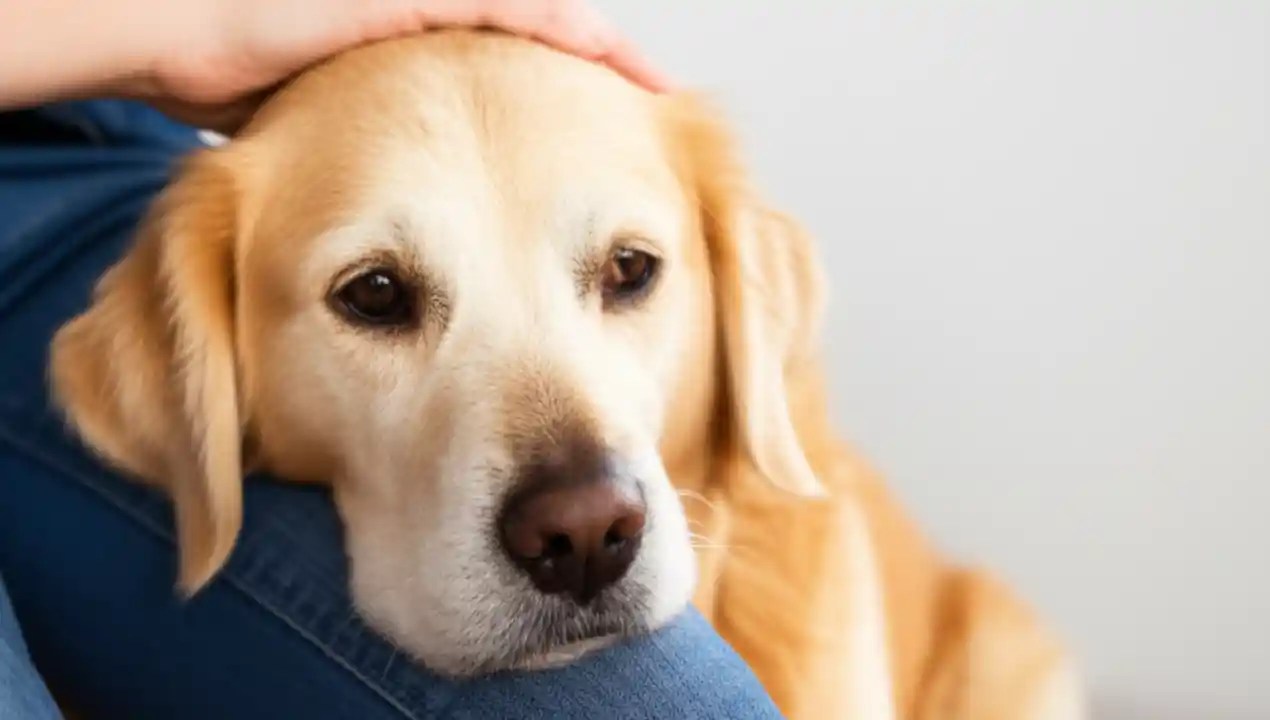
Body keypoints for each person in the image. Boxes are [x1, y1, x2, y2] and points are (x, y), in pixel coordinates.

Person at [0, 2, 781, 717]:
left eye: (627, 273)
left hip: (93, 130)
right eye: (378, 297)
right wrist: (172, 25)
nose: (586, 511)